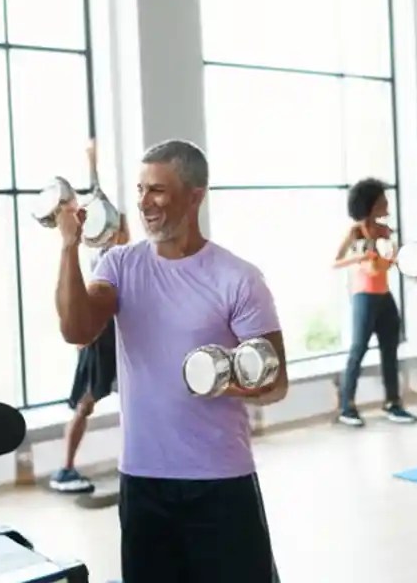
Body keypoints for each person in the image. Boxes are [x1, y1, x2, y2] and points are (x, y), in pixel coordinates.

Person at [54, 139, 286, 582]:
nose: (144, 202)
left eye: (157, 190)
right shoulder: (120, 265)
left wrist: (225, 382)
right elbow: (77, 330)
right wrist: (68, 248)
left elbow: (276, 384)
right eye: (140, 190)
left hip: (220, 480)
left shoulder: (238, 279)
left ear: (195, 194)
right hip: (143, 481)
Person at [51, 213, 129, 494]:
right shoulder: (105, 263)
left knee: (132, 400)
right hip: (97, 345)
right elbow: (79, 312)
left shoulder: (126, 259)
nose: (125, 233)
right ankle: (66, 469)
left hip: (117, 344)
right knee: (84, 406)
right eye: (121, 229)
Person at [332, 178, 417, 427]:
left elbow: (392, 260)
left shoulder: (384, 232)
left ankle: (393, 403)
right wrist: (360, 257)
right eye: (382, 201)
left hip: (384, 296)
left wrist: (389, 258)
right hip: (364, 297)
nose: (386, 204)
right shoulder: (355, 232)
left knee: (390, 350)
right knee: (358, 349)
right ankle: (347, 407)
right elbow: (335, 261)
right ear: (370, 204)